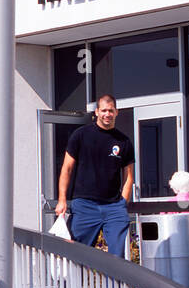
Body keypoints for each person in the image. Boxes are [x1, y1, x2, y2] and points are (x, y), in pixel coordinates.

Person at [55, 94, 135, 256]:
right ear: (97, 112)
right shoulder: (81, 135)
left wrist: (122, 203)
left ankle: (113, 282)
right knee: (79, 254)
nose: (107, 114)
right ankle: (76, 282)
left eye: (111, 110)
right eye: (104, 110)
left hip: (113, 207)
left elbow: (129, 176)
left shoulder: (123, 141)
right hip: (85, 205)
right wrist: (62, 199)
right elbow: (67, 169)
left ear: (116, 112)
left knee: (116, 255)